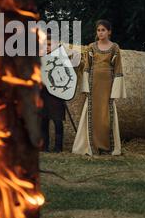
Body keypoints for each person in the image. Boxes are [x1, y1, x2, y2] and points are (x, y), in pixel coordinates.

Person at [72, 19, 127, 156]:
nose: (100, 32)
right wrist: (86, 87)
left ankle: (107, 146)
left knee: (106, 116)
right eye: (98, 30)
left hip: (107, 85)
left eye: (103, 30)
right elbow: (87, 67)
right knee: (93, 114)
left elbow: (118, 68)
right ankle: (92, 146)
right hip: (93, 84)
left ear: (109, 32)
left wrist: (115, 90)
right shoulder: (91, 47)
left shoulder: (115, 48)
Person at [41, 36, 66, 153]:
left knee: (57, 120)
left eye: (50, 44)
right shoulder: (39, 58)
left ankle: (58, 147)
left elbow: (65, 77)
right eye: (46, 44)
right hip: (43, 94)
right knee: (43, 120)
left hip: (56, 94)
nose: (47, 47)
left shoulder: (60, 59)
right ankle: (44, 146)